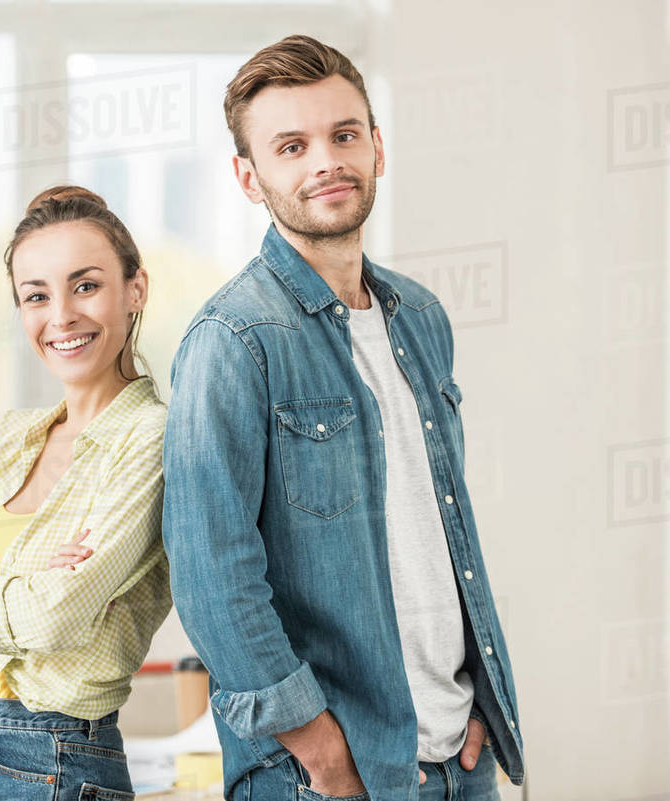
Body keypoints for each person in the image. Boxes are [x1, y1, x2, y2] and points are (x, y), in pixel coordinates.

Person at [161, 35, 526, 801]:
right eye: (291, 146)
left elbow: (439, 528)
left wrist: (475, 709)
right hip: (326, 776)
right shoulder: (232, 342)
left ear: (377, 147)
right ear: (248, 177)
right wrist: (320, 748)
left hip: (459, 757)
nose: (324, 161)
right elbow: (210, 572)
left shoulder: (420, 317)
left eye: (344, 134)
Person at [0, 185, 170, 800]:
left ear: (136, 290)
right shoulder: (14, 436)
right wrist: (6, 598)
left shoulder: (152, 437)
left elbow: (50, 616)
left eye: (85, 286)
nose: (61, 317)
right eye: (36, 296)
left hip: (63, 755)